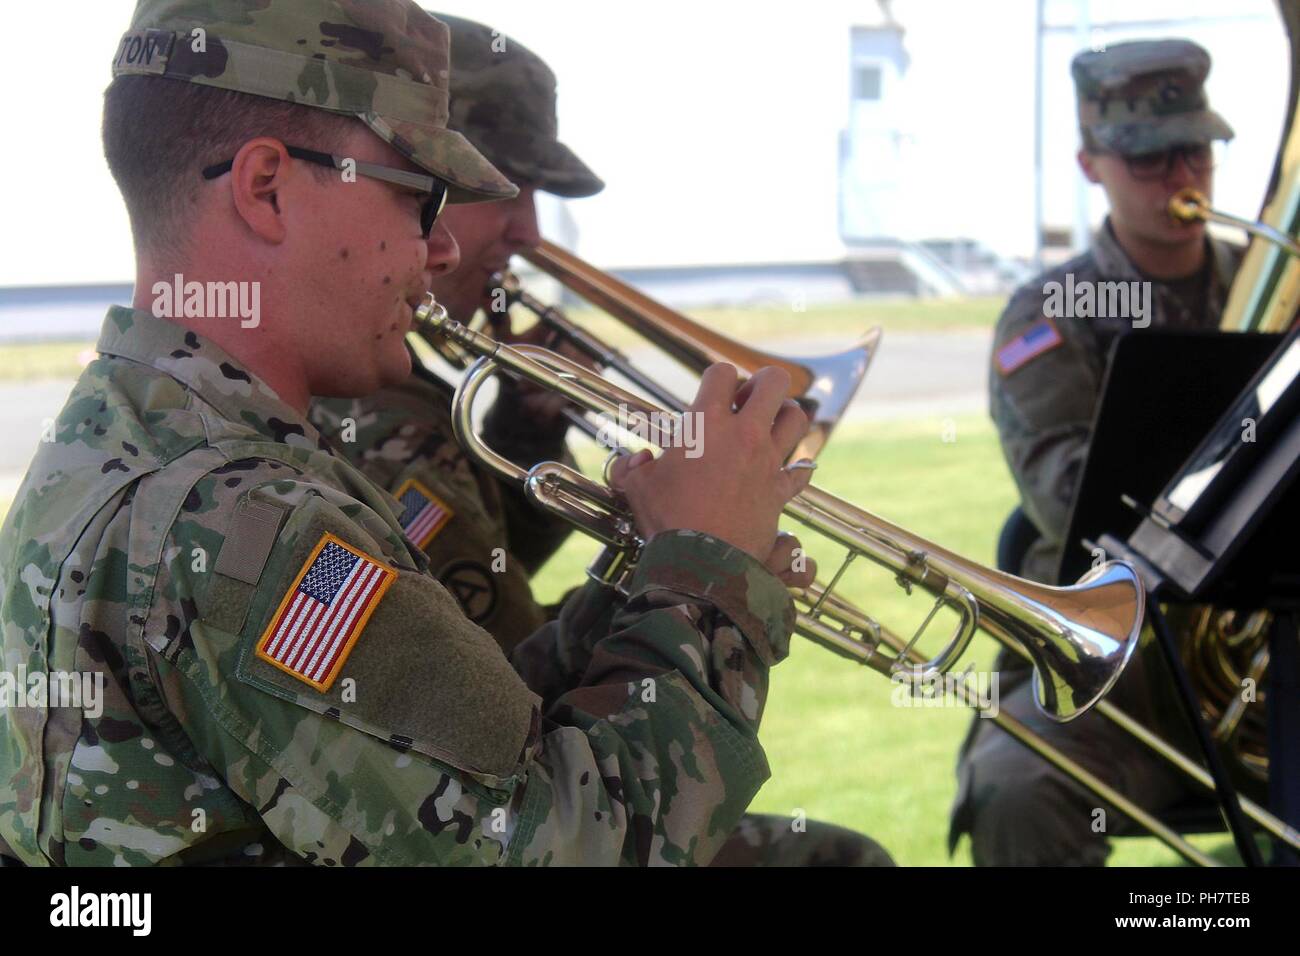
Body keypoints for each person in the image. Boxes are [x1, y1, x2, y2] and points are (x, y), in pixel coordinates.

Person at [0, 0, 818, 867]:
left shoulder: (116, 434)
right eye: (418, 196)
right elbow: (572, 847)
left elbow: (459, 747)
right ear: (266, 187)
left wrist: (643, 589)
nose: (441, 252)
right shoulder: (247, 517)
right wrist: (708, 579)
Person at [310, 13, 893, 868]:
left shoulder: (402, 394)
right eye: (486, 189)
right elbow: (517, 705)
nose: (531, 234)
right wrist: (703, 578)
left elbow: (489, 645)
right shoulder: (383, 411)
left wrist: (527, 433)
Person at [949, 39, 1245, 866]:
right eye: (1145, 156)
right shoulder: (1054, 313)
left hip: (1270, 659)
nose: (1178, 175)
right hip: (1123, 675)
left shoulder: (1272, 288)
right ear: (1091, 164)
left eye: (1194, 149)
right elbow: (1072, 500)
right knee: (1016, 790)